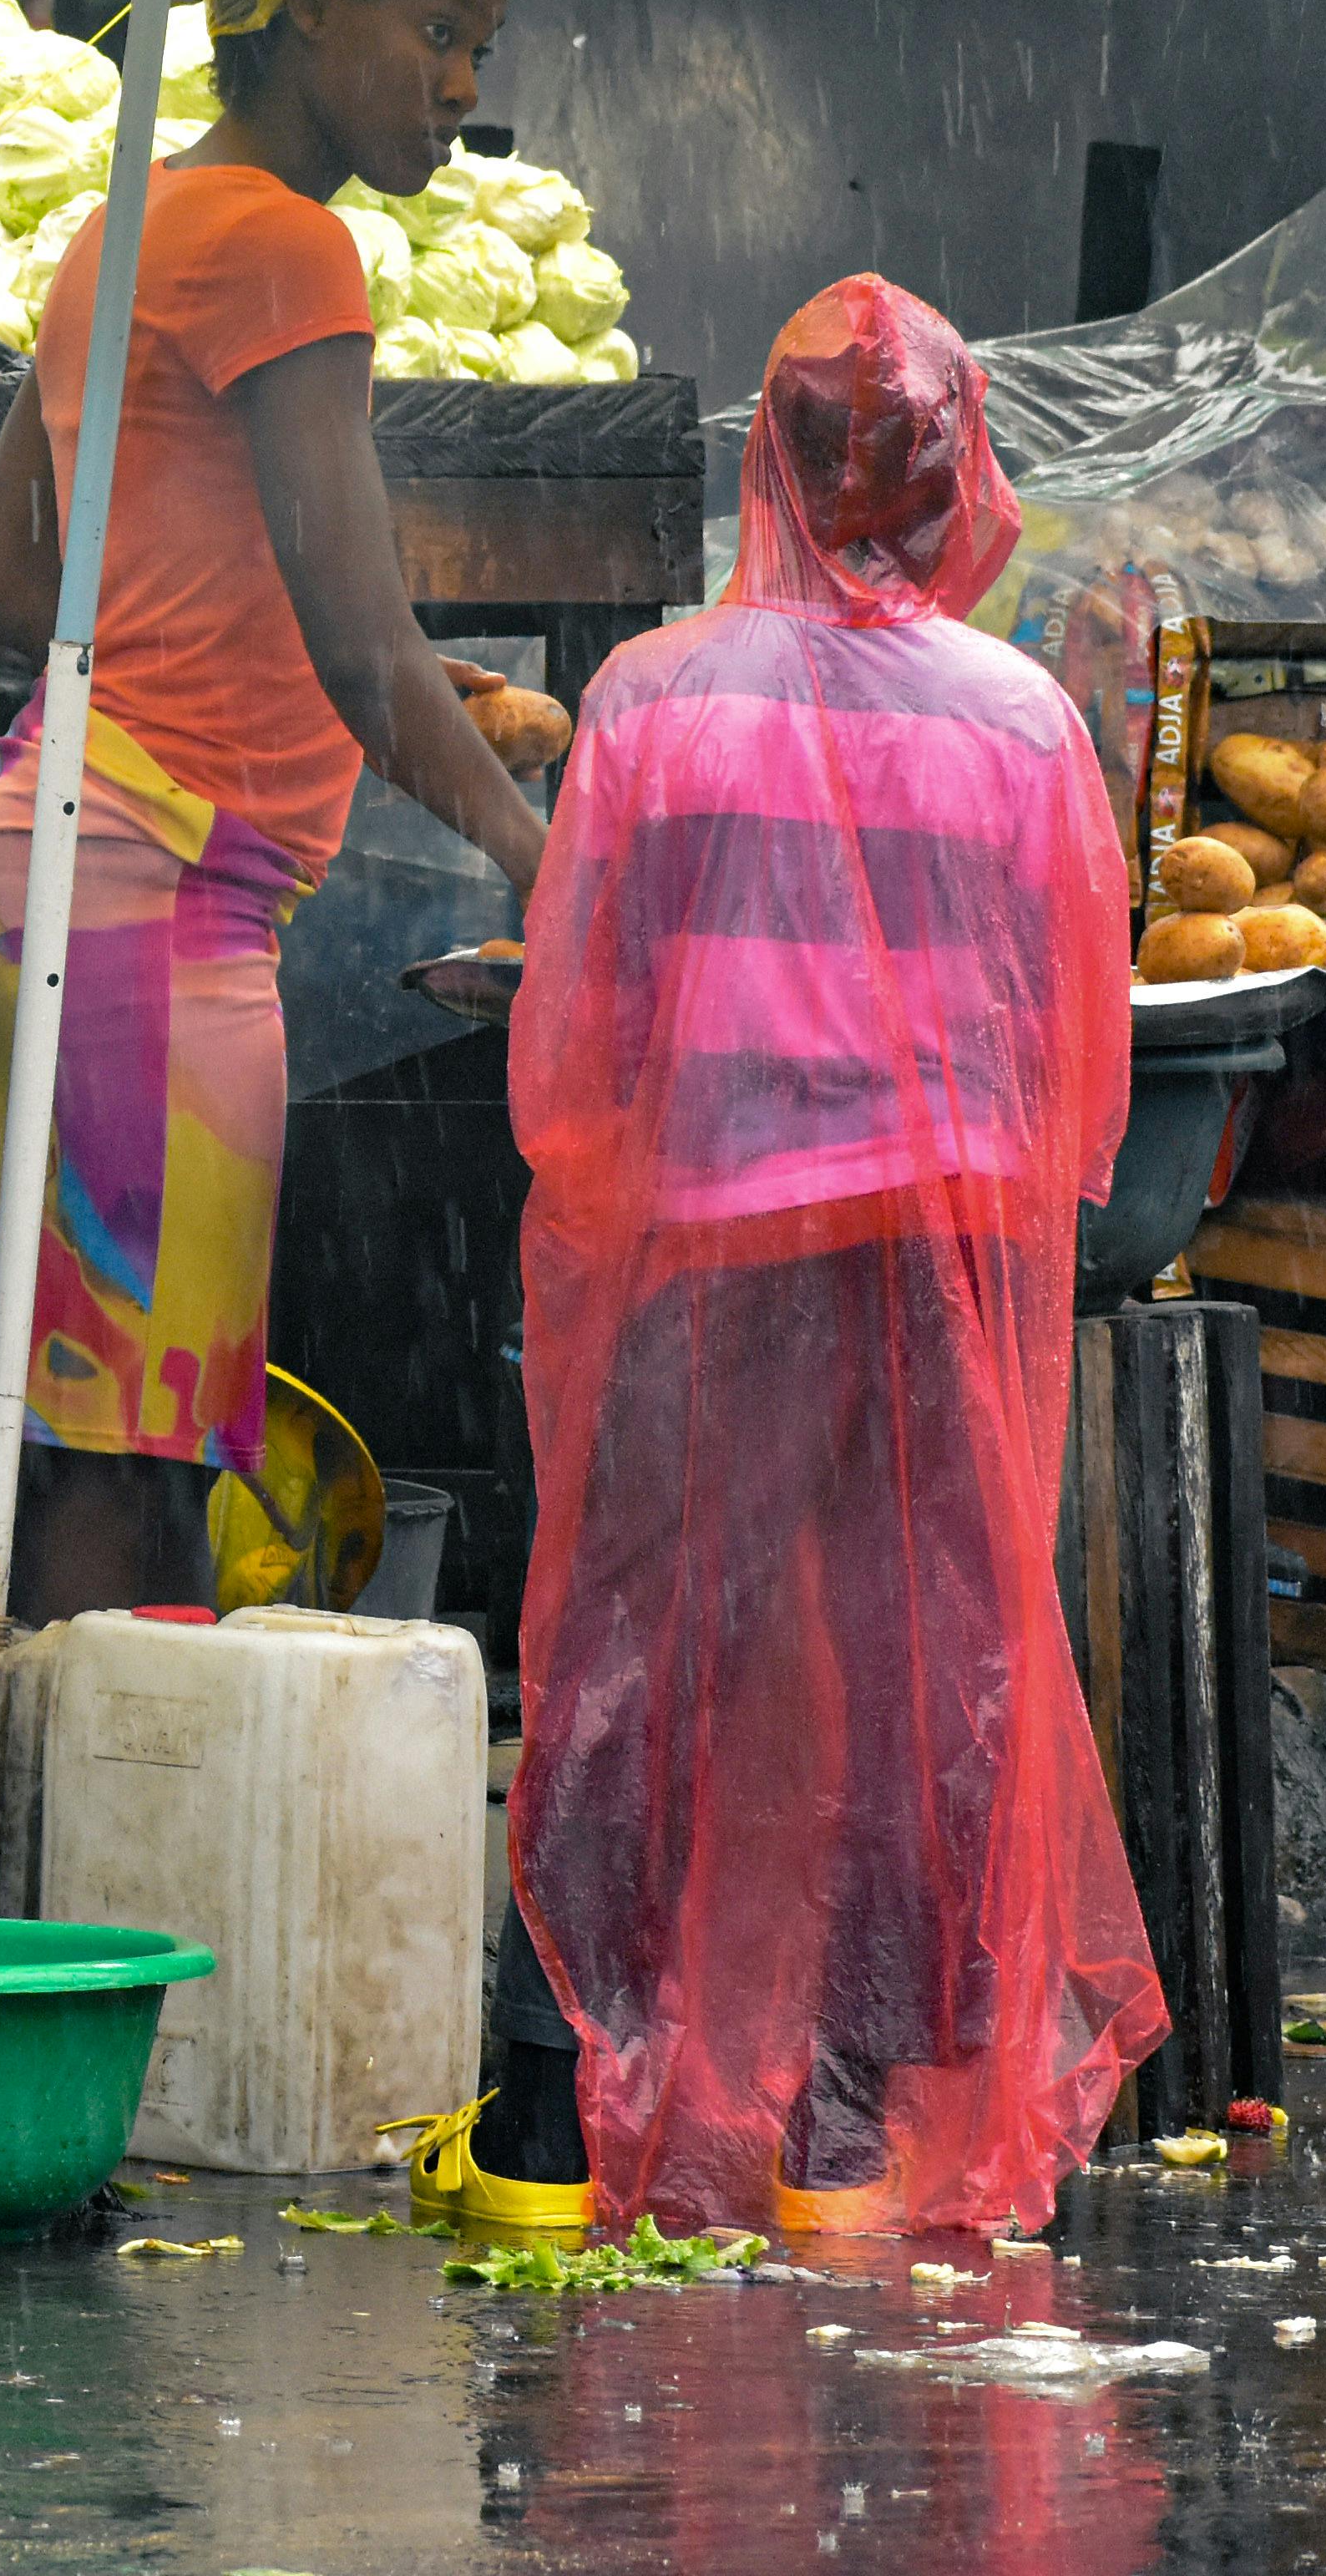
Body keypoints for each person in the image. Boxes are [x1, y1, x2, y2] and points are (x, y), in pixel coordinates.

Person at [414, 276, 1156, 2239]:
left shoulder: (654, 696)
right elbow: (1083, 1060)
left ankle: (555, 2110)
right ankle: (849, 2124)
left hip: (712, 1266)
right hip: (938, 1270)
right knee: (931, 1665)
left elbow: (577, 1037)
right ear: (953, 478)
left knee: (637, 1659)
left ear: (773, 461)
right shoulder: (1027, 723)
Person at [0, 0, 551, 1621]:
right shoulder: (290, 250)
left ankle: (59, 1840)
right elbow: (360, 645)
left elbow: (10, 583)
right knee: (144, 1452)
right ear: (298, 7)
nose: (460, 87)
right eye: (436, 29)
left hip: (43, 853)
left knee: (88, 1435)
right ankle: (107, 1878)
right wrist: (542, 856)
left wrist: (439, 700)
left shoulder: (118, 225)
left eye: (480, 45)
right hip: (153, 899)